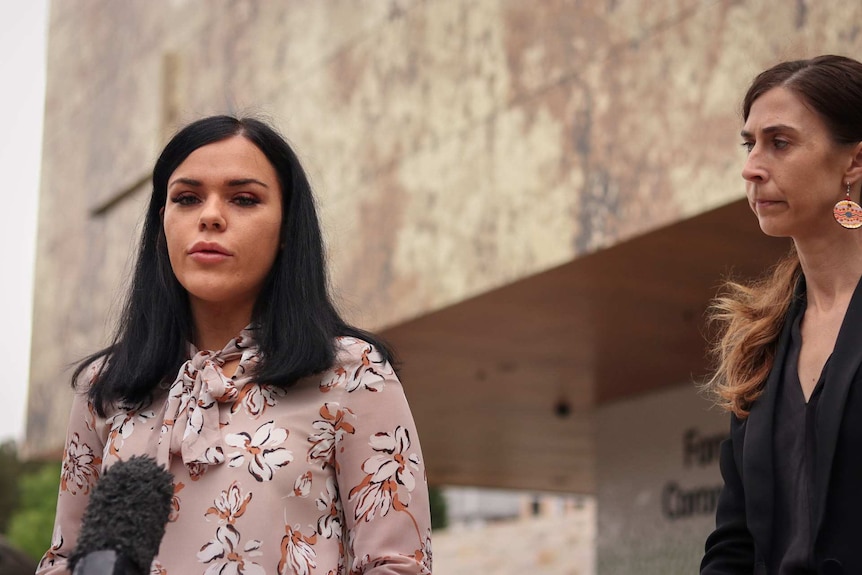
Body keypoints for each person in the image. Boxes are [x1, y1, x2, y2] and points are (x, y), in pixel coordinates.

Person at [36, 115, 433, 575]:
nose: (209, 216)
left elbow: (398, 565)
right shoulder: (104, 385)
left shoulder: (353, 373)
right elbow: (63, 560)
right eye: (186, 198)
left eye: (244, 199)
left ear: (287, 228)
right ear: (161, 221)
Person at [701, 54, 862, 575]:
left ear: (854, 163)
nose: (751, 166)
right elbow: (733, 543)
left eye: (780, 142)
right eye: (750, 144)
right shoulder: (759, 340)